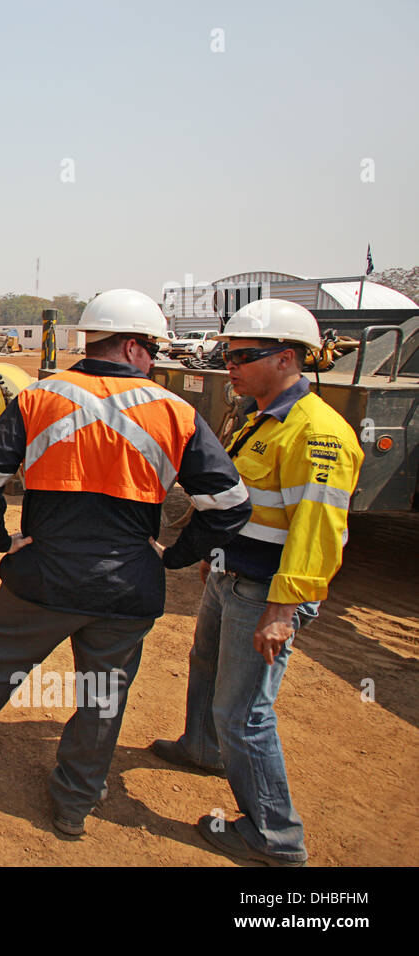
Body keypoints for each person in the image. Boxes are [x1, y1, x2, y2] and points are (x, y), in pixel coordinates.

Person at [0, 289, 252, 837]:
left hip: (43, 575)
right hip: (127, 588)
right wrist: (172, 557)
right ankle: (74, 803)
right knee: (103, 696)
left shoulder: (40, 396)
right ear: (132, 346)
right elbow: (230, 505)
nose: (154, 361)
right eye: (152, 349)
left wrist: (3, 539)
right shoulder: (176, 411)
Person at [150, 299, 362, 866]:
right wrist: (213, 555)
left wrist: (282, 611)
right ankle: (201, 748)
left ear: (287, 358)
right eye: (228, 355)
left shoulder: (317, 434)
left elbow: (317, 529)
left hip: (266, 592)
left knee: (245, 713)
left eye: (244, 356)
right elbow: (243, 504)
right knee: (206, 664)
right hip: (231, 576)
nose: (231, 367)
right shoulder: (262, 417)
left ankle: (275, 836)